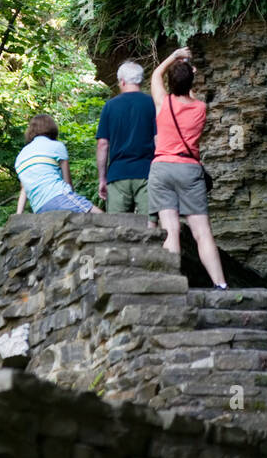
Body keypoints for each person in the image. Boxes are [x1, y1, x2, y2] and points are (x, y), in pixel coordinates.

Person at [147, 46, 227, 288]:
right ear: (192, 81)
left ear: (170, 83)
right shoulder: (200, 108)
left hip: (161, 168)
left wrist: (173, 57)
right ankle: (220, 284)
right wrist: (188, 72)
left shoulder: (162, 103)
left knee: (170, 229)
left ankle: (172, 282)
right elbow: (187, 92)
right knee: (201, 232)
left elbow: (155, 76)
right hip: (189, 169)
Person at [96, 60, 157, 217]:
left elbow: (103, 145)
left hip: (118, 174)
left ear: (121, 81)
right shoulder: (152, 104)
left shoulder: (109, 106)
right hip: (147, 172)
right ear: (141, 81)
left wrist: (102, 178)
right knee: (150, 226)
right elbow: (159, 139)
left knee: (117, 227)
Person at [15, 114, 95, 213]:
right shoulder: (57, 146)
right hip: (59, 196)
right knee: (102, 216)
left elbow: (24, 189)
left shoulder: (20, 156)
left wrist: (18, 215)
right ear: (51, 128)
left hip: (39, 208)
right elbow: (68, 183)